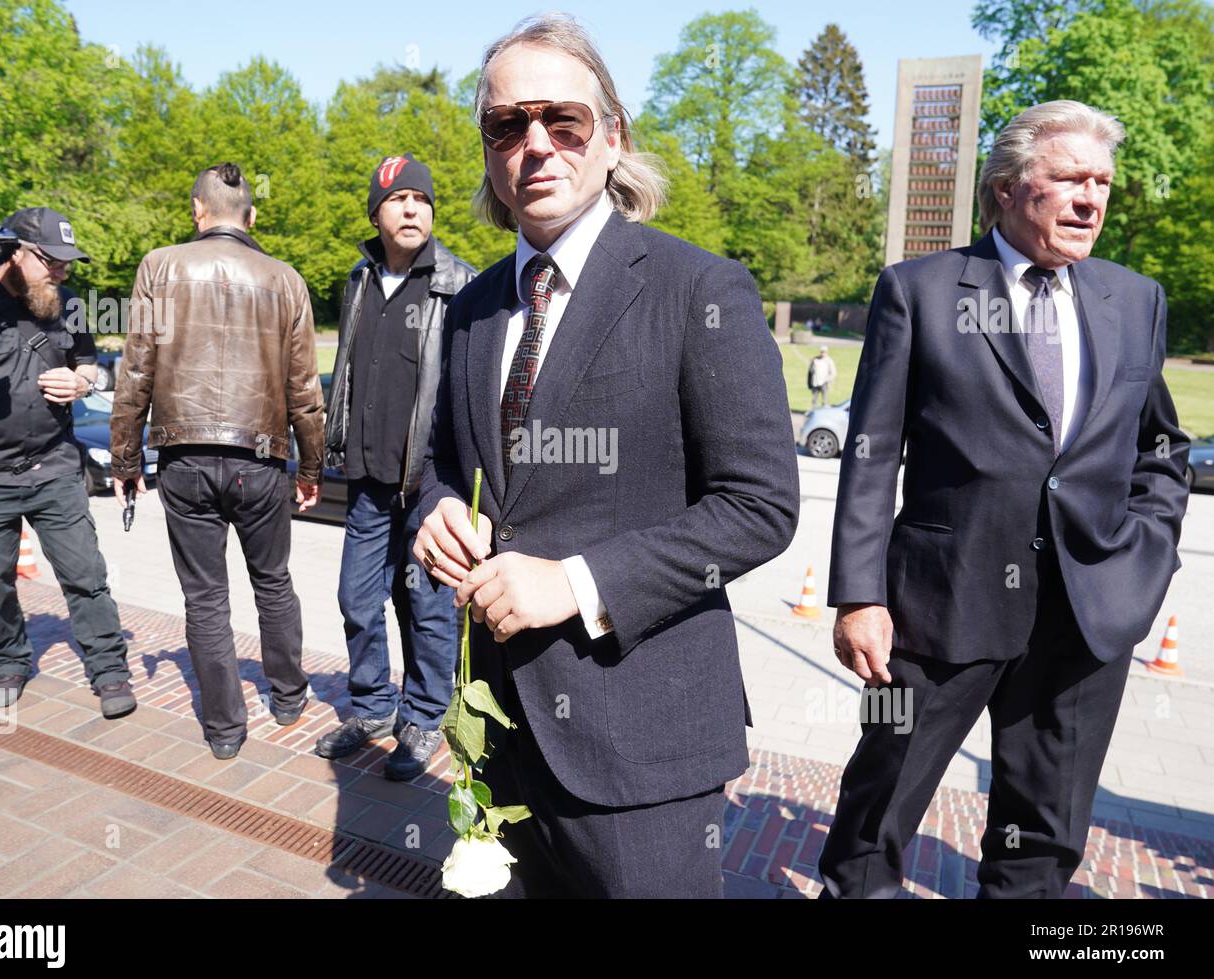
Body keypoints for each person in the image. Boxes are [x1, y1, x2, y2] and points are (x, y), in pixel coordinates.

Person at [412, 14, 799, 897]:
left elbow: (761, 505)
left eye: (564, 121)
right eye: (507, 125)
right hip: (499, 736)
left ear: (613, 136)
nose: (535, 145)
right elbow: (441, 462)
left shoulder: (699, 289)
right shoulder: (470, 307)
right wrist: (432, 512)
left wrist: (576, 583)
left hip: (642, 749)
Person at [819, 100, 1189, 898]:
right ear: (1008, 190)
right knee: (876, 807)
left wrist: (1147, 553)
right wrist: (856, 596)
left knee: (1045, 835)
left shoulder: (1136, 300)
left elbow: (1161, 446)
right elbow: (873, 451)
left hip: (1088, 618)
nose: (1090, 198)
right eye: (1067, 180)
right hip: (934, 609)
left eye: (1102, 183)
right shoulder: (916, 289)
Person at [109, 163, 324, 760]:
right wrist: (310, 470)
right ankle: (287, 696)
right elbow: (306, 390)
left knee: (206, 598)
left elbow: (135, 371)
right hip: (259, 460)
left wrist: (124, 457)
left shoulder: (160, 265)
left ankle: (225, 730)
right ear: (251, 217)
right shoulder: (286, 280)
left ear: (196, 211)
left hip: (183, 457)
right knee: (274, 582)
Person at [0, 207, 136, 717]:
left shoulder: (69, 303)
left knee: (86, 576)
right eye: (50, 260)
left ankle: (108, 671)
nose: (62, 271)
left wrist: (83, 381)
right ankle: (10, 663)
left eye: (67, 262)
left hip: (54, 466)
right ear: (12, 253)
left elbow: (88, 363)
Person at [315, 154, 477, 781]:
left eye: (422, 200)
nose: (412, 209)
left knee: (431, 611)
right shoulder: (358, 281)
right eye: (398, 199)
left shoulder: (459, 285)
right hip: (367, 481)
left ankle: (426, 716)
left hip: (431, 488)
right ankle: (373, 708)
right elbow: (349, 377)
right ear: (376, 213)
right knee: (356, 599)